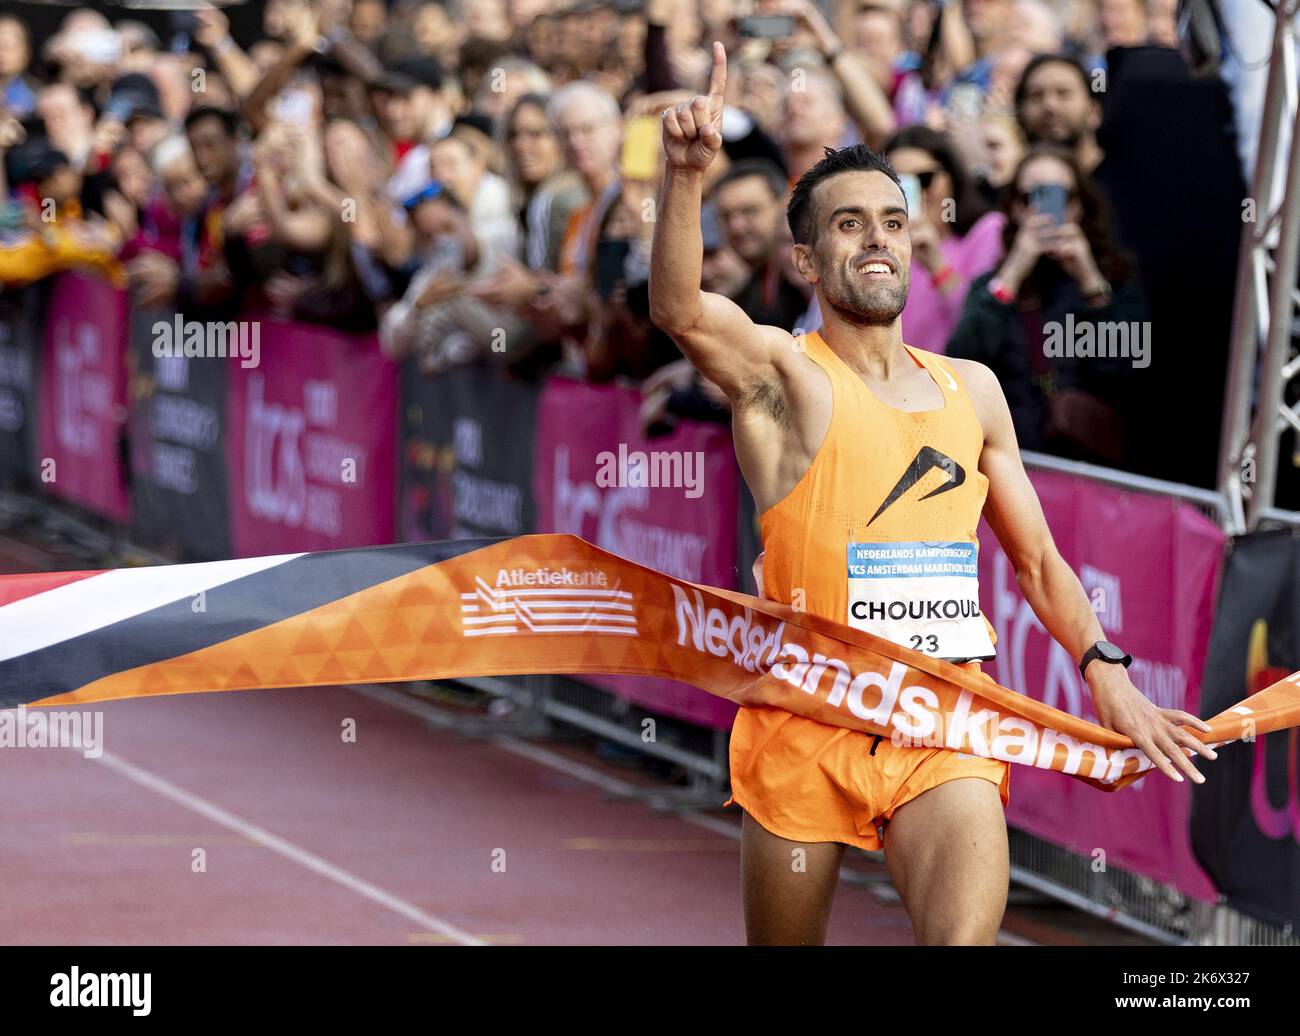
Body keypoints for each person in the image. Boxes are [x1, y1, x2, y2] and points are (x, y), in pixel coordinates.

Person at [648, 42, 1215, 946]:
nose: (875, 236)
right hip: (805, 717)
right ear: (804, 259)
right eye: (847, 224)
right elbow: (679, 309)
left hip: (939, 717)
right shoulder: (784, 377)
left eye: (890, 220)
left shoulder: (974, 388)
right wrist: (683, 176)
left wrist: (1107, 669)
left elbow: (1036, 559)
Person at [945, 144, 1146, 465]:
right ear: (1013, 208)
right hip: (1011, 468)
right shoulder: (993, 286)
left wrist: (1091, 282)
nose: (1046, 211)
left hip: (1092, 473)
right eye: (1031, 199)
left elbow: (1130, 372)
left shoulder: (1117, 279)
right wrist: (1013, 271)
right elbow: (959, 365)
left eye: (1060, 198)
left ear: (1080, 206)